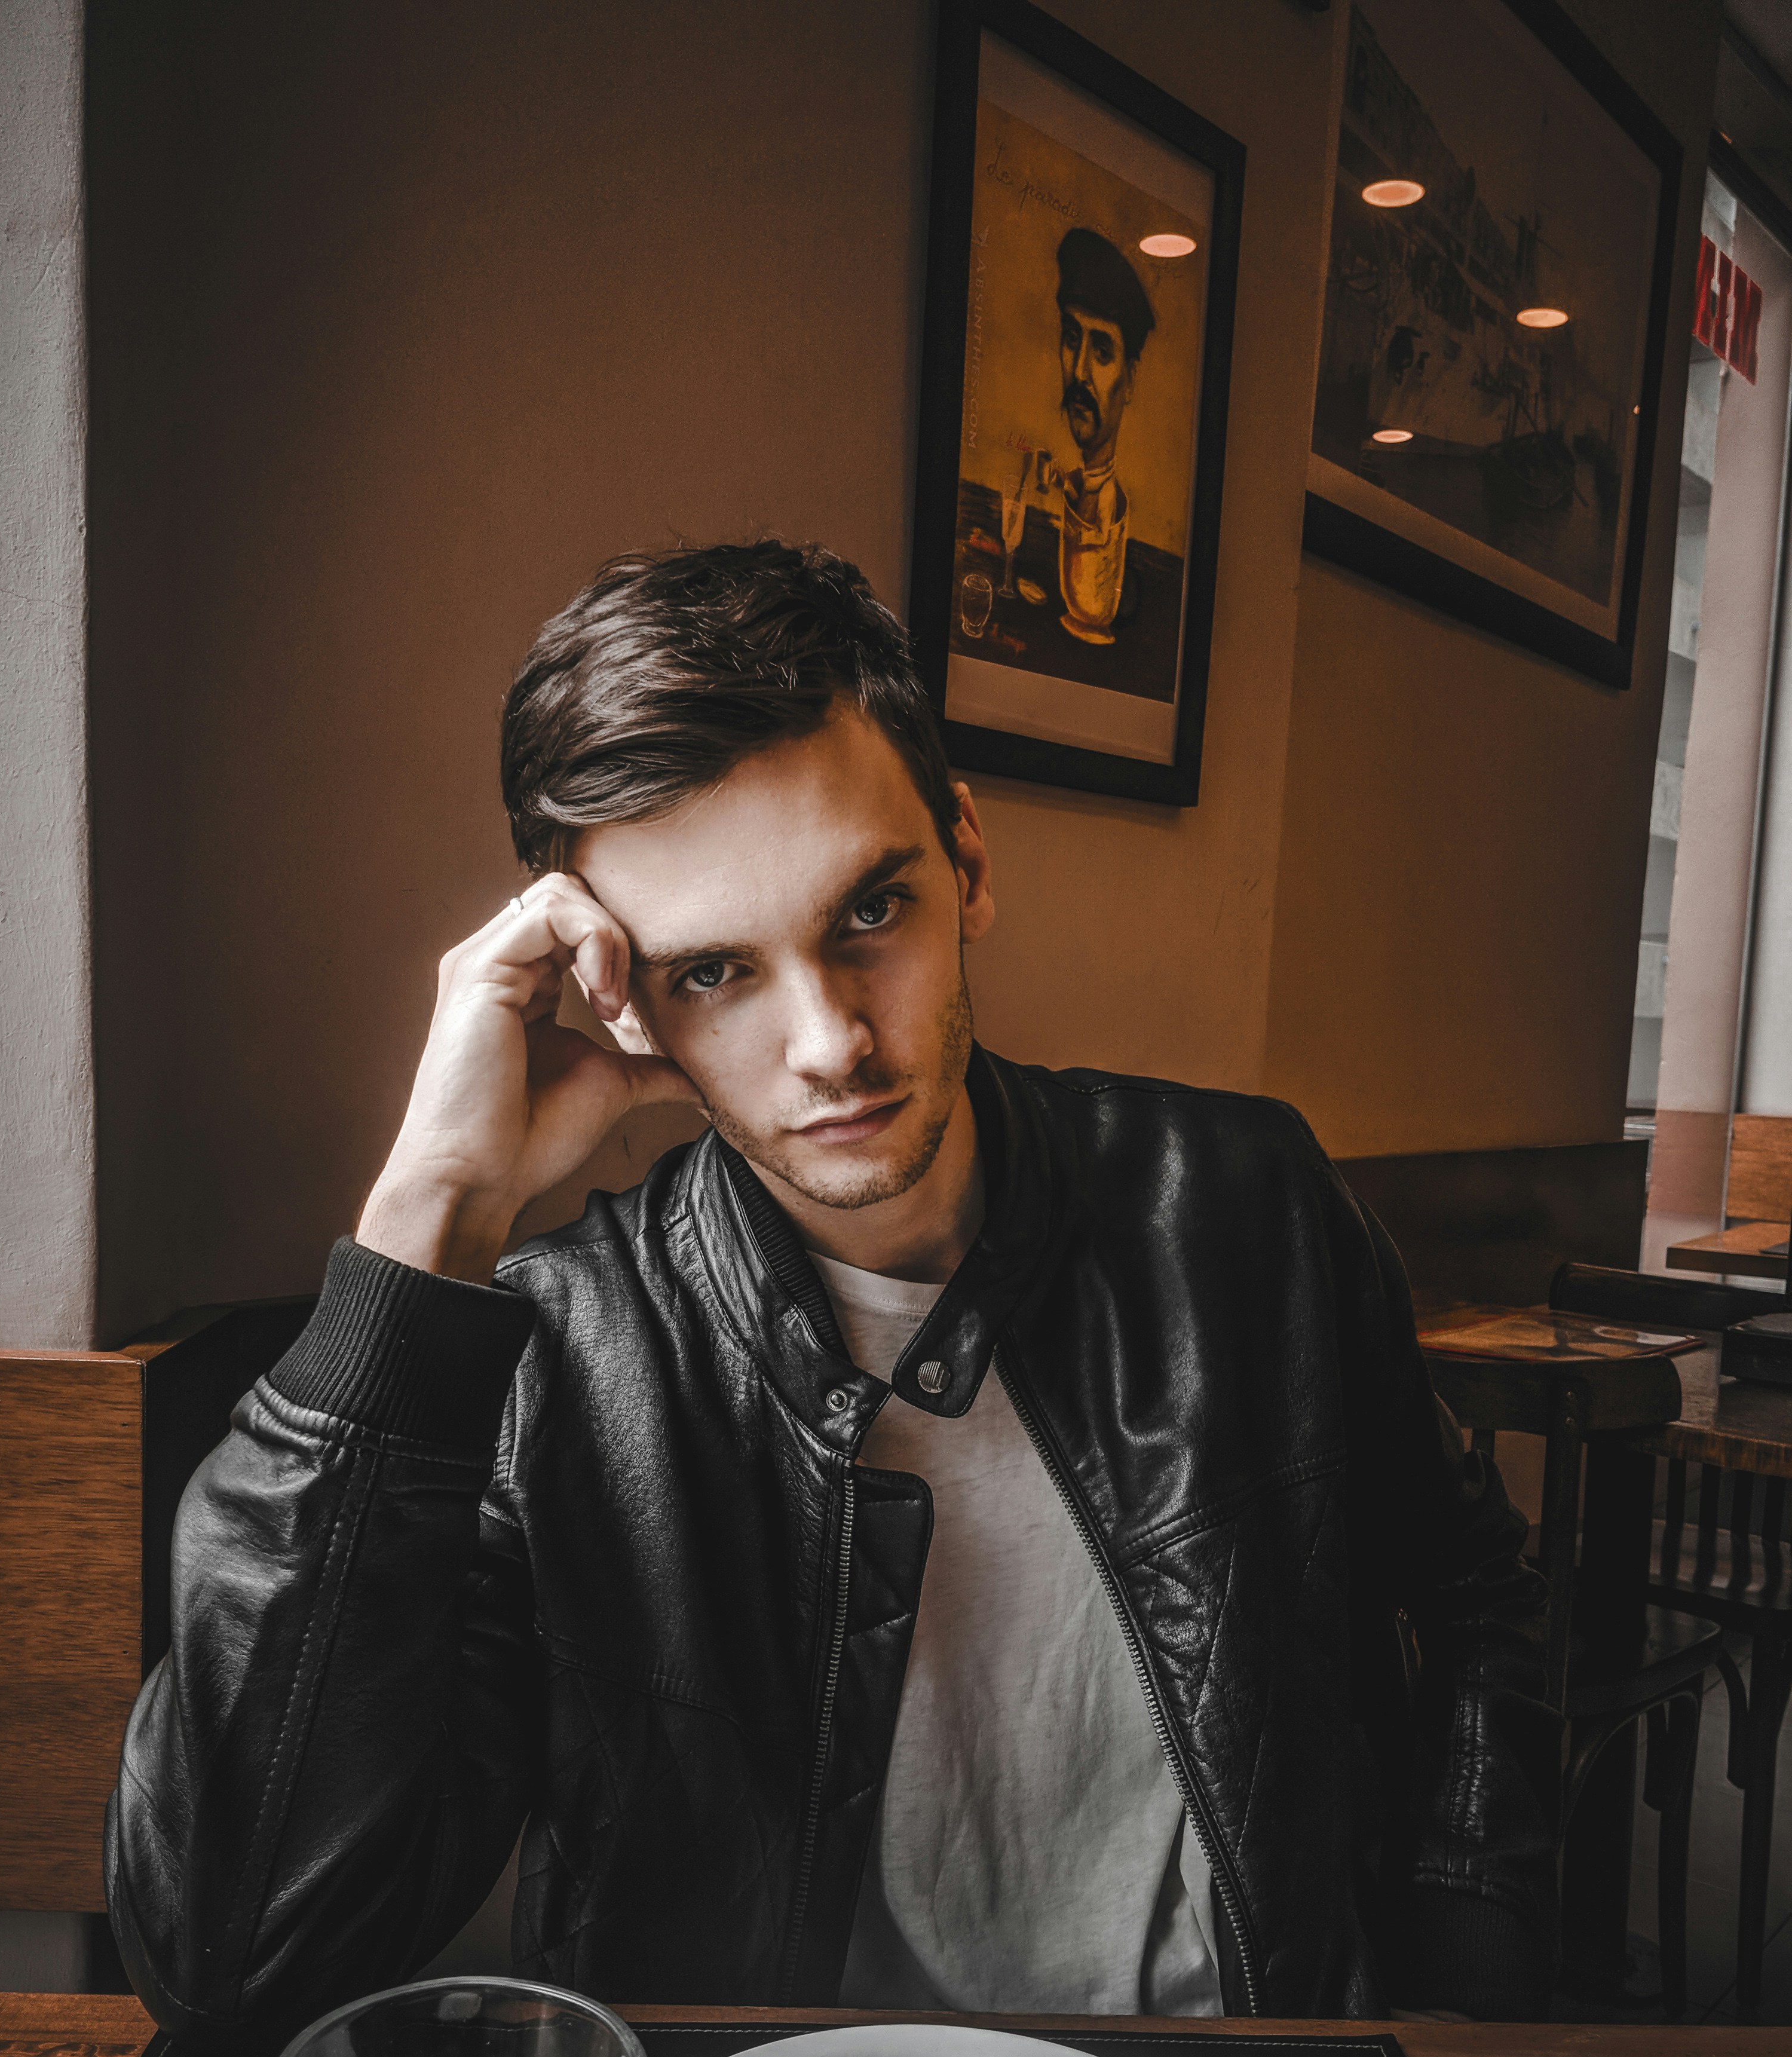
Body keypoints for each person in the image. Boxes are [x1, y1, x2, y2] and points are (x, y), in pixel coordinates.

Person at [107, 541, 1557, 2048]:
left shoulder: (1244, 1204)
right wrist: (432, 1216)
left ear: (969, 863)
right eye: (716, 970)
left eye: (870, 911)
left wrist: (1465, 1970)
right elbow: (232, 1960)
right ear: (622, 995)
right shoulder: (564, 1346)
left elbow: (1472, 1596)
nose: (831, 1041)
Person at [1053, 227, 1151, 640]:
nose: (1079, 373)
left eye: (1102, 352)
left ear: (1129, 380)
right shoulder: (1073, 487)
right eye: (1072, 339)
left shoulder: (1116, 509)